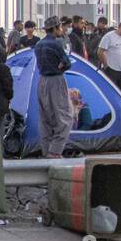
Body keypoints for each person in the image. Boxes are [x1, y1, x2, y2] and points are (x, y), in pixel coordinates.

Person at [35, 16, 73, 157]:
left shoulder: (38, 45)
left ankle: (46, 151)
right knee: (64, 117)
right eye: (60, 27)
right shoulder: (56, 44)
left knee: (45, 119)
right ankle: (55, 151)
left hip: (42, 81)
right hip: (56, 80)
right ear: (56, 28)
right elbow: (67, 62)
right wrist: (60, 68)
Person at [98, 18, 121, 97]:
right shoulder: (109, 36)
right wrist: (106, 66)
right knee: (110, 92)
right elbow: (100, 52)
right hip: (111, 70)